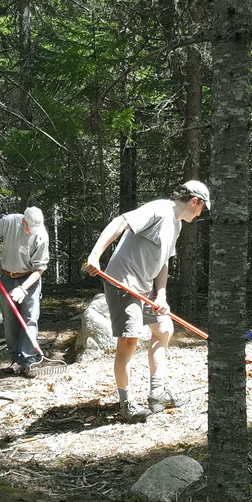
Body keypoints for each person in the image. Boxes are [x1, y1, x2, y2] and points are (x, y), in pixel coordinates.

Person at [84, 180, 210, 422]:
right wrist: (95, 254)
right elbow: (120, 222)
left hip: (146, 287)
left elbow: (163, 262)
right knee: (129, 342)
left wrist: (161, 294)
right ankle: (126, 403)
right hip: (122, 282)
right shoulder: (159, 209)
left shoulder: (177, 225)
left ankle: (158, 393)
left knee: (164, 329)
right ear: (194, 201)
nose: (201, 212)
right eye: (202, 207)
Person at [0, 207, 50, 376]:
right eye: (29, 228)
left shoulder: (41, 236)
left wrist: (22, 288)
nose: (31, 232)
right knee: (10, 320)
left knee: (30, 319)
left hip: (30, 279)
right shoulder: (9, 222)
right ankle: (15, 359)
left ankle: (28, 362)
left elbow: (39, 269)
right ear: (23, 221)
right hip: (7, 276)